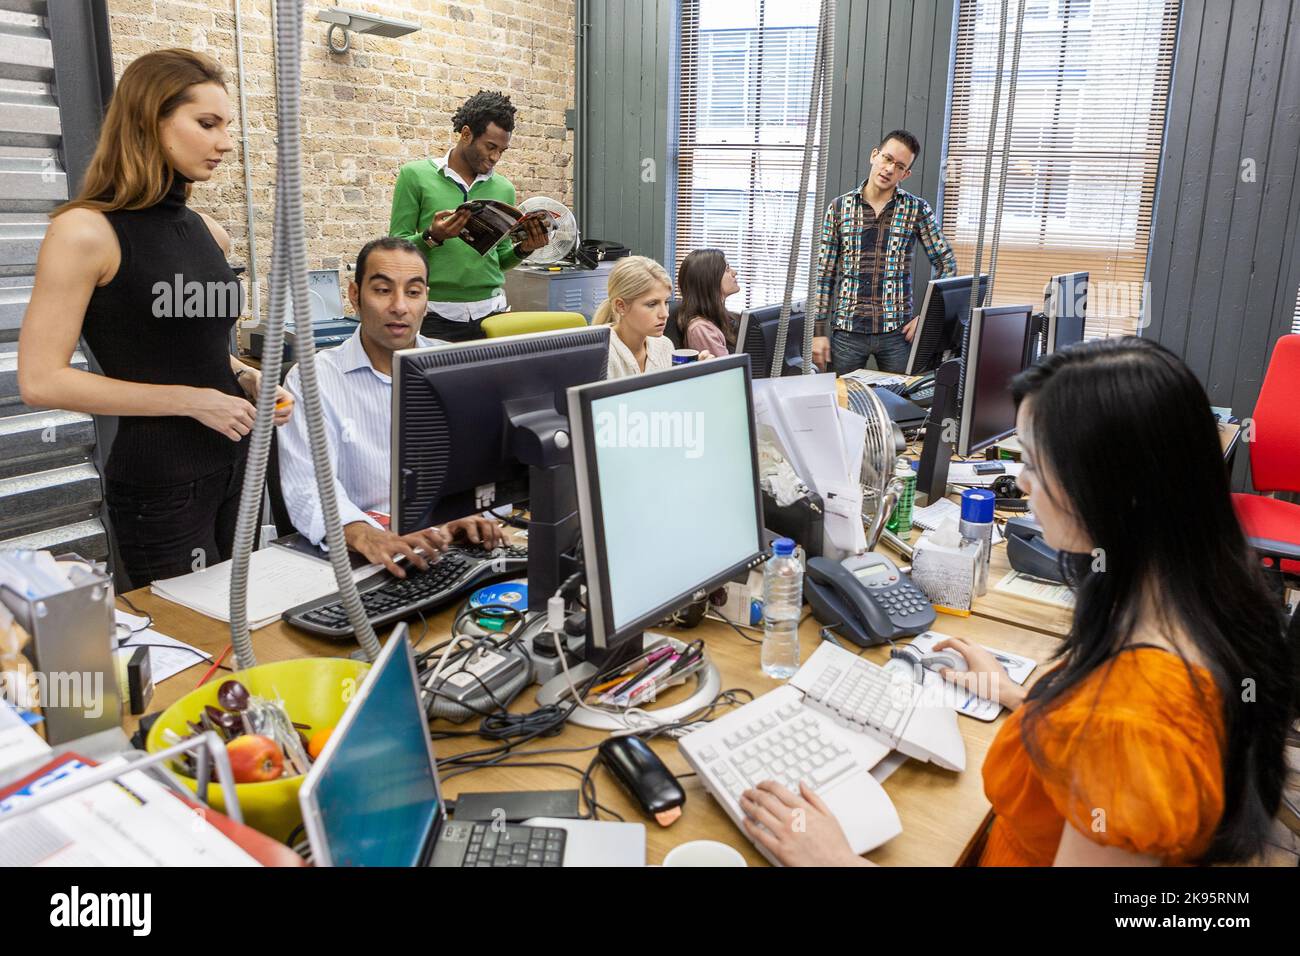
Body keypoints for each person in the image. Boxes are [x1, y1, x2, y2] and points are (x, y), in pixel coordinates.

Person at [739, 338, 1295, 867]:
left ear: (1109, 487)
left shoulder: (1129, 723)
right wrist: (1021, 696)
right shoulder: (1198, 598)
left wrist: (837, 859)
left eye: (1032, 462)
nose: (1022, 483)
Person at [17, 49, 293, 589]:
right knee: (190, 634)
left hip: (236, 465)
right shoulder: (85, 232)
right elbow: (40, 380)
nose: (226, 143)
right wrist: (193, 400)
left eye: (226, 126)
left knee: (240, 619)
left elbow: (191, 346)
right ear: (150, 121)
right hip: (163, 485)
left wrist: (244, 376)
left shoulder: (208, 232)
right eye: (207, 124)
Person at [276, 237, 505, 577]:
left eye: (413, 292)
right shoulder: (313, 378)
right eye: (383, 290)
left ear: (426, 300)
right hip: (363, 560)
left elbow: (482, 471)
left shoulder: (454, 368)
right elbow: (307, 487)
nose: (400, 306)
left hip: (446, 548)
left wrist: (465, 511)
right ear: (355, 295)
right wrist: (364, 534)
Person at [388, 90, 550, 342]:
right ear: (466, 134)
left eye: (502, 151)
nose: (495, 157)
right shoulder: (415, 176)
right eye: (490, 147)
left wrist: (524, 249)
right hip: (435, 315)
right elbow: (394, 250)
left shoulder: (504, 188)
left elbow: (499, 260)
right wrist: (432, 236)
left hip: (494, 313)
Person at [809, 130, 956, 375]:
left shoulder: (917, 209)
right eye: (887, 159)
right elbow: (823, 273)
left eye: (899, 166)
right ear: (874, 156)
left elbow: (946, 263)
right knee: (842, 396)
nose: (889, 169)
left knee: (902, 397)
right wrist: (817, 332)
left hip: (897, 334)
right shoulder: (838, 208)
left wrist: (927, 318)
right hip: (847, 331)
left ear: (905, 174)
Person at [594, 256, 707, 378]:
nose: (665, 314)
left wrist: (696, 376)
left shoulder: (664, 345)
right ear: (621, 306)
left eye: (666, 302)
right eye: (652, 304)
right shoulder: (600, 355)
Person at [676, 248, 740, 358]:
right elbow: (727, 368)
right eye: (727, 269)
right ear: (710, 279)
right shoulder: (701, 329)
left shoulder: (721, 317)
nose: (734, 273)